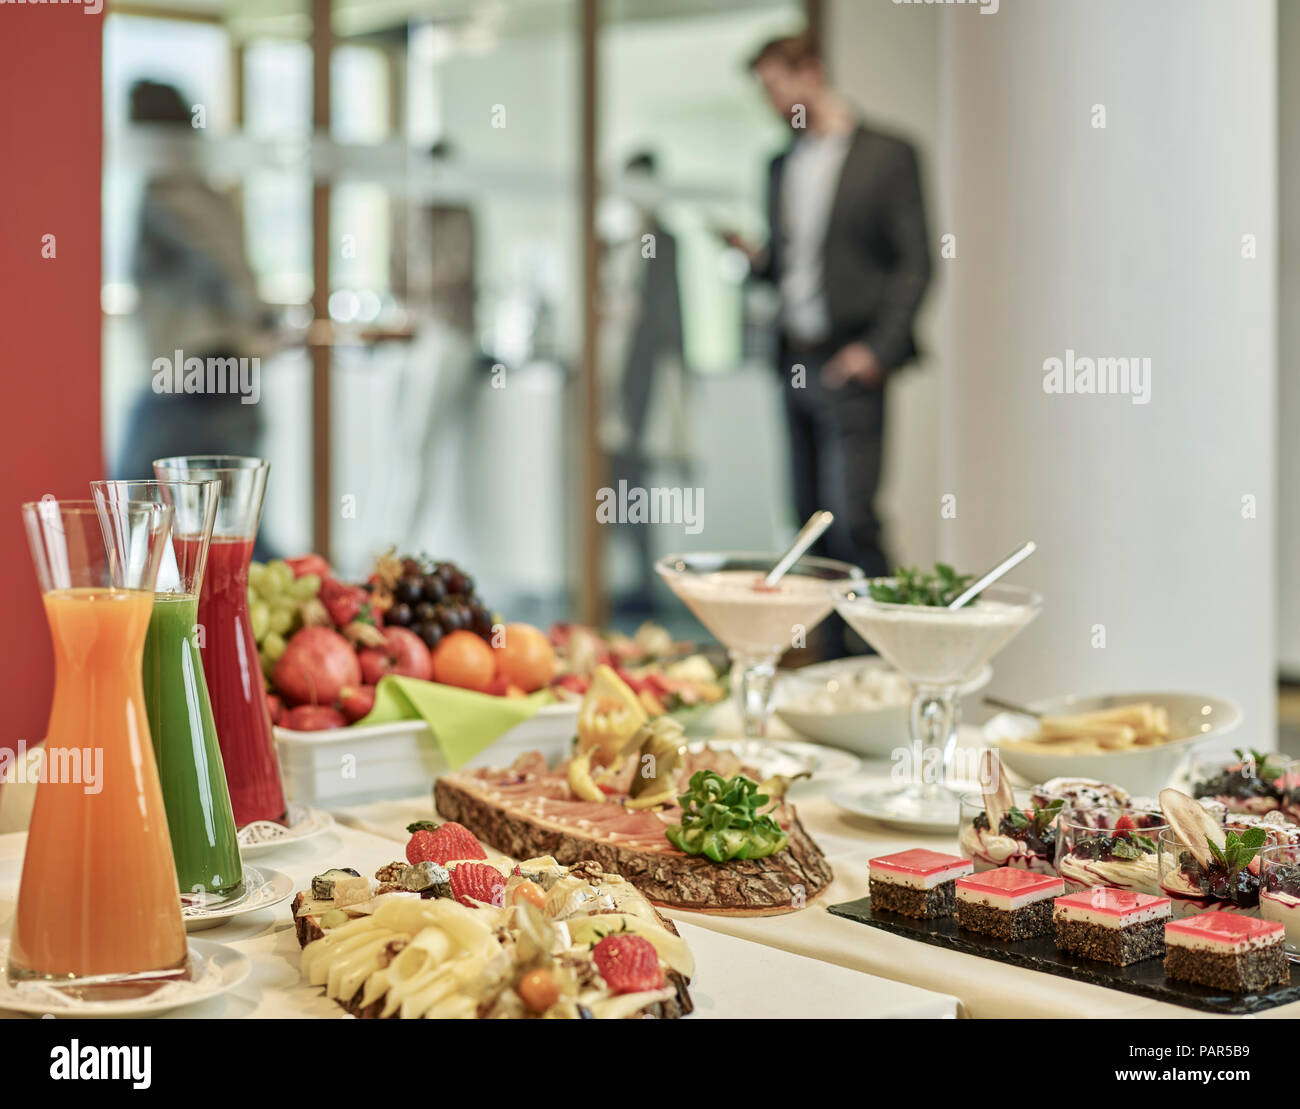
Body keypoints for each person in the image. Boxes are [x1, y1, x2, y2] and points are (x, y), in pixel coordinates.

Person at [726, 35, 931, 581]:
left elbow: (915, 263)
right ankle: (830, 661)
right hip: (793, 356)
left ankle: (879, 657)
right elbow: (791, 267)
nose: (770, 103)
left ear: (810, 74)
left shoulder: (886, 156)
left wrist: (878, 352)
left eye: (774, 87)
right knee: (806, 524)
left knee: (852, 522)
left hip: (850, 361)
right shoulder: (779, 166)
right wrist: (755, 259)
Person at [115, 80, 278, 489]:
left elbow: (223, 267)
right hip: (220, 370)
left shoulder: (170, 195)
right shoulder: (207, 191)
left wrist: (258, 323)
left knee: (133, 505)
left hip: (193, 371)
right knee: (229, 516)